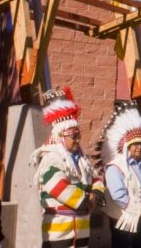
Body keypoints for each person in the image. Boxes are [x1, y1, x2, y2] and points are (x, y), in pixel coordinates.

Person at [31, 87, 106, 247]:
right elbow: (58, 186)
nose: (77, 140)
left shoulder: (81, 159)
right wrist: (86, 199)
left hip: (82, 227)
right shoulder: (51, 157)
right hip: (59, 229)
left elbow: (95, 178)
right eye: (73, 136)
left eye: (78, 136)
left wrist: (96, 192)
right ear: (60, 136)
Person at [100, 103, 141, 248]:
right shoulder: (115, 166)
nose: (139, 147)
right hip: (123, 219)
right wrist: (138, 209)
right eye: (135, 144)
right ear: (127, 146)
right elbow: (118, 194)